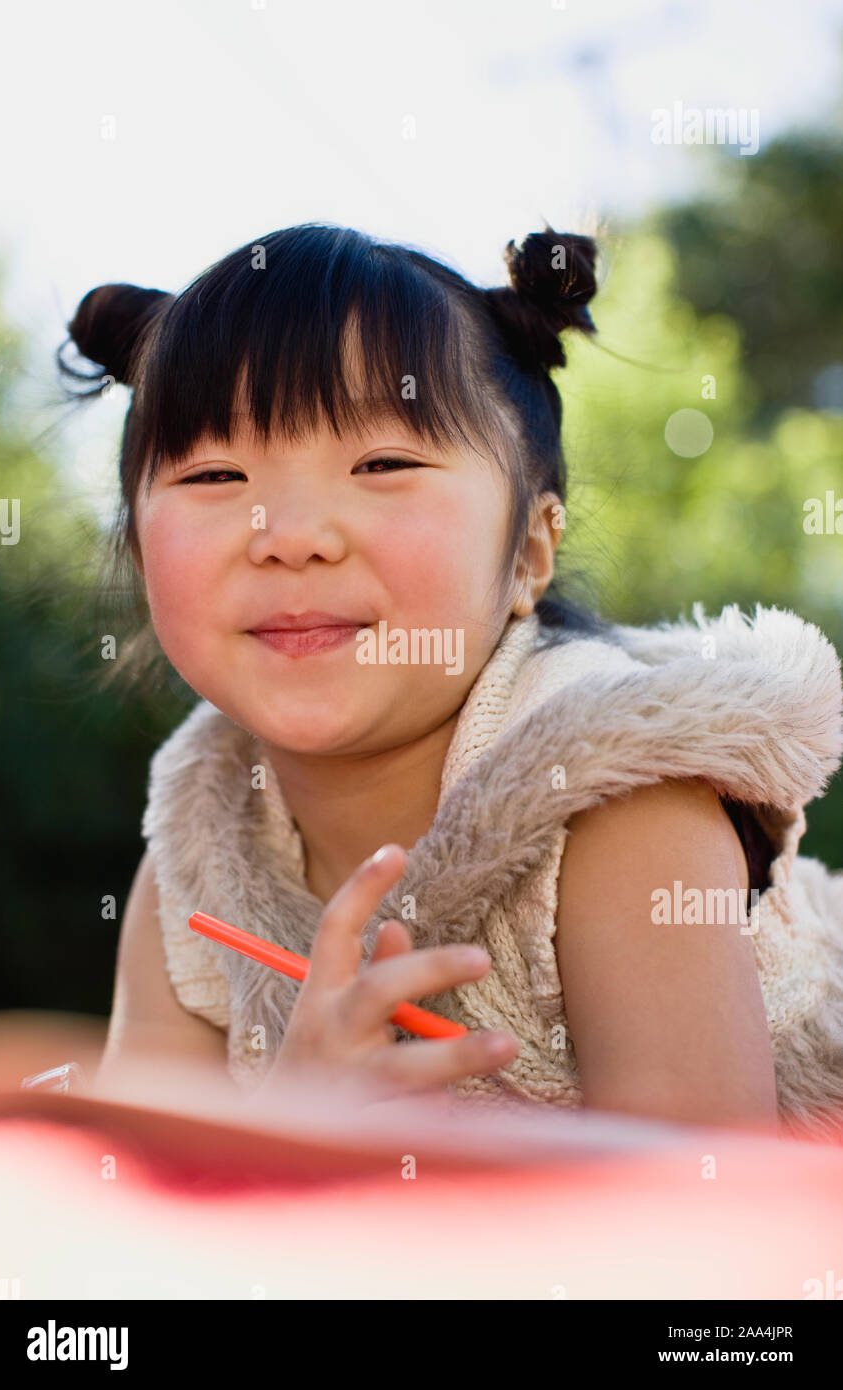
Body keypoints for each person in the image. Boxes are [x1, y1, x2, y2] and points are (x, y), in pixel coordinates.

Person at [55, 221, 843, 1138]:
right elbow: (142, 1221)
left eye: (382, 464)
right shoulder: (193, 860)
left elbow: (703, 1220)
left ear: (528, 555)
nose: (291, 532)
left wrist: (334, 1166)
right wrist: (288, 1121)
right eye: (215, 473)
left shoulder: (617, 800)